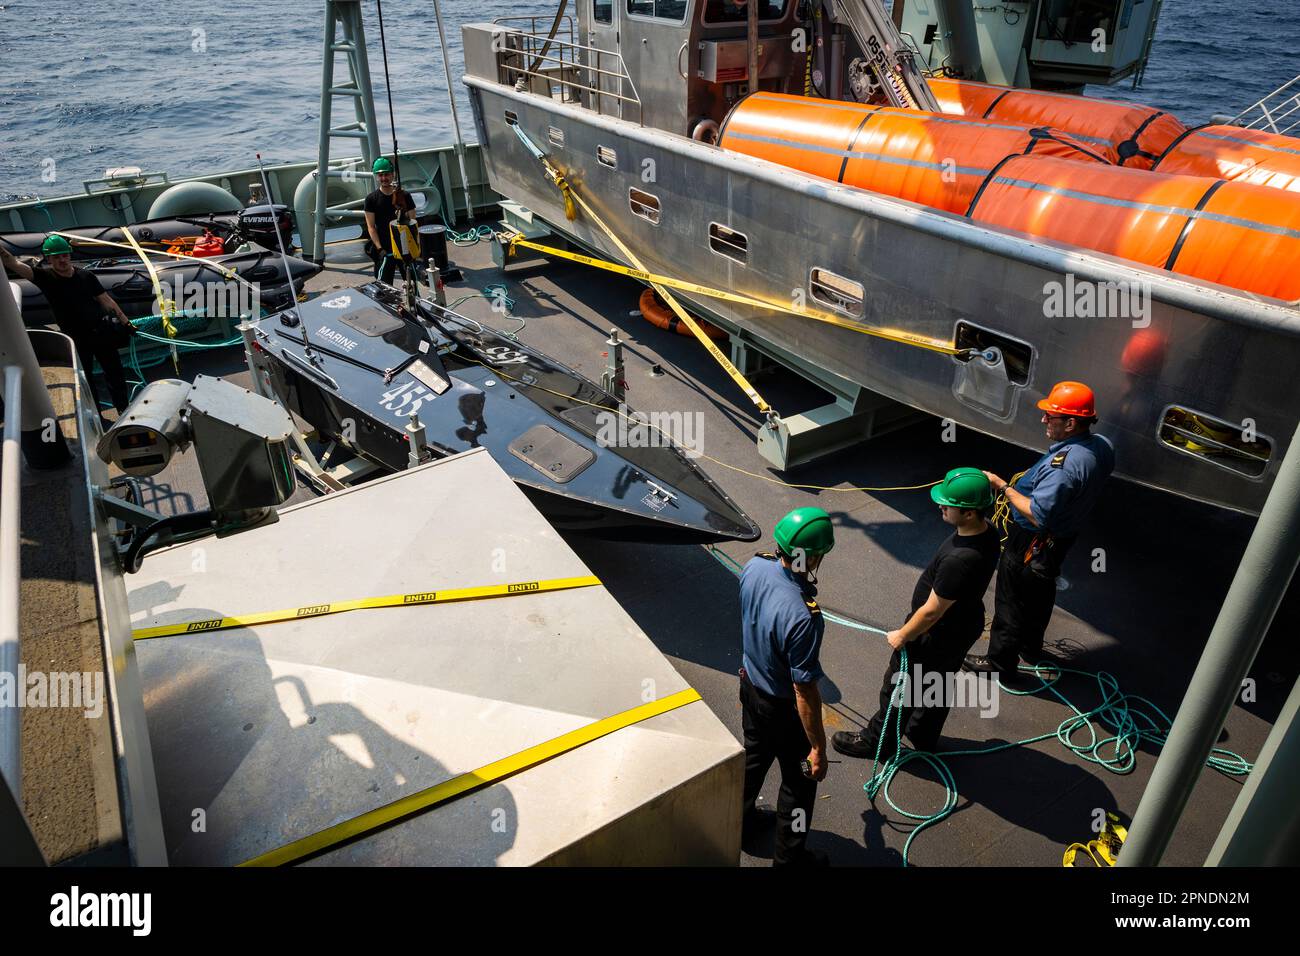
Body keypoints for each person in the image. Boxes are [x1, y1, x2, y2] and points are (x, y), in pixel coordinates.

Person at [832, 468, 1001, 761]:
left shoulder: (959, 560)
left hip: (933, 635)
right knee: (938, 682)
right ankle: (923, 734)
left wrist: (903, 635)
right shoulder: (988, 534)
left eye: (949, 504)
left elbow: (932, 611)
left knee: (900, 687)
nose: (941, 506)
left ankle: (877, 743)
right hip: (963, 626)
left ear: (971, 513)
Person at [964, 381, 1115, 678]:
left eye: (1051, 416)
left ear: (1071, 423)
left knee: (1011, 598)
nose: (1044, 419)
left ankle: (999, 662)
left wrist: (1002, 486)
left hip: (1034, 540)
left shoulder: (1064, 466)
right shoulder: (1101, 446)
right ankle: (1030, 648)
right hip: (1061, 538)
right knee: (1040, 593)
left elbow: (1037, 515)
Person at [738, 506, 834, 866]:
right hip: (781, 708)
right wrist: (818, 749)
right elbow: (804, 692)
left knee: (754, 759)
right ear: (813, 556)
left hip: (749, 687)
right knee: (799, 785)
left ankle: (741, 822)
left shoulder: (754, 566)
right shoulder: (804, 616)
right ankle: (790, 861)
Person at [2, 235, 135, 419]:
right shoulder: (44, 277)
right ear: (49, 259)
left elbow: (105, 300)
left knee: (115, 374)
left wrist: (125, 321)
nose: (61, 260)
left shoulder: (86, 276)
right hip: (76, 340)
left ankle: (123, 409)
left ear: (69, 255)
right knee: (85, 380)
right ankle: (96, 417)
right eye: (56, 257)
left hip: (100, 333)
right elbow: (14, 264)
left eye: (64, 255)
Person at [363, 156, 413, 285]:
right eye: (380, 175)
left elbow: (413, 220)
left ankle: (414, 304)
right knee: (384, 288)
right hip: (385, 249)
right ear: (376, 176)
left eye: (386, 174)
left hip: (404, 247)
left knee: (411, 283)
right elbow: (371, 227)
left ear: (393, 175)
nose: (384, 178)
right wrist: (380, 249)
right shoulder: (371, 199)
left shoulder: (405, 196)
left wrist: (403, 214)